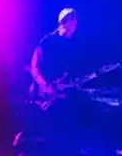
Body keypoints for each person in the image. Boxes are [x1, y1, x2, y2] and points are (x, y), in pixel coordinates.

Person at [27, 8, 86, 156]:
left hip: (63, 98)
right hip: (44, 98)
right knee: (46, 139)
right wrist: (46, 86)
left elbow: (72, 73)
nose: (75, 26)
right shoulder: (47, 43)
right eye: (73, 22)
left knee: (69, 137)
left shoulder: (73, 46)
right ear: (64, 23)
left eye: (76, 23)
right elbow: (35, 67)